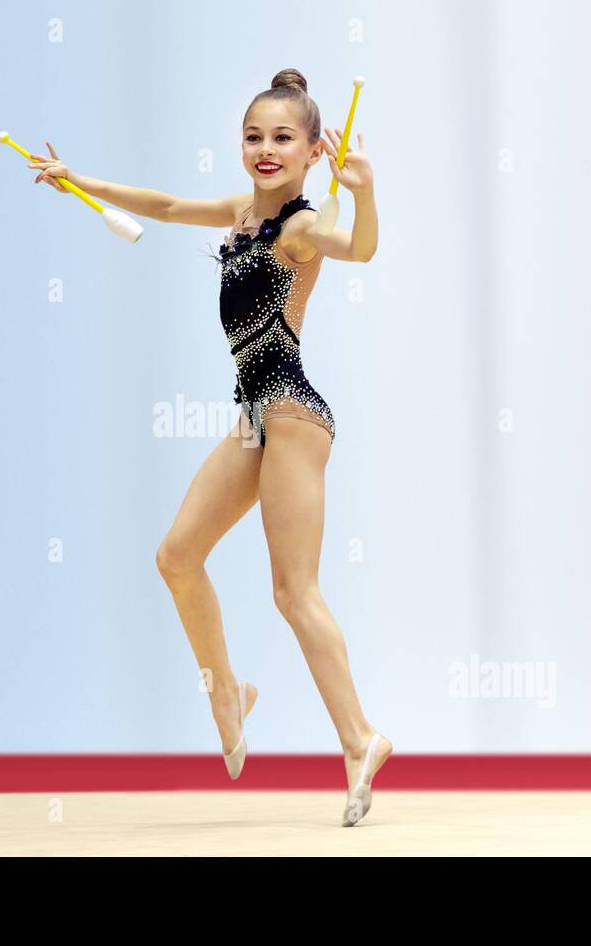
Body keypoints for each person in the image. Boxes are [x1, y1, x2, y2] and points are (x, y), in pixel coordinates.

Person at [26, 68, 390, 826]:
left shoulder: (301, 225)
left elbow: (360, 249)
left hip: (291, 414)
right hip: (253, 417)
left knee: (293, 591)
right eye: (254, 135)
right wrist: (76, 180)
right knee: (177, 555)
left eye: (283, 137)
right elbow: (162, 205)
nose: (264, 147)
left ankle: (360, 739)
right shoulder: (237, 212)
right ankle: (228, 691)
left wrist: (361, 188)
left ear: (312, 149)